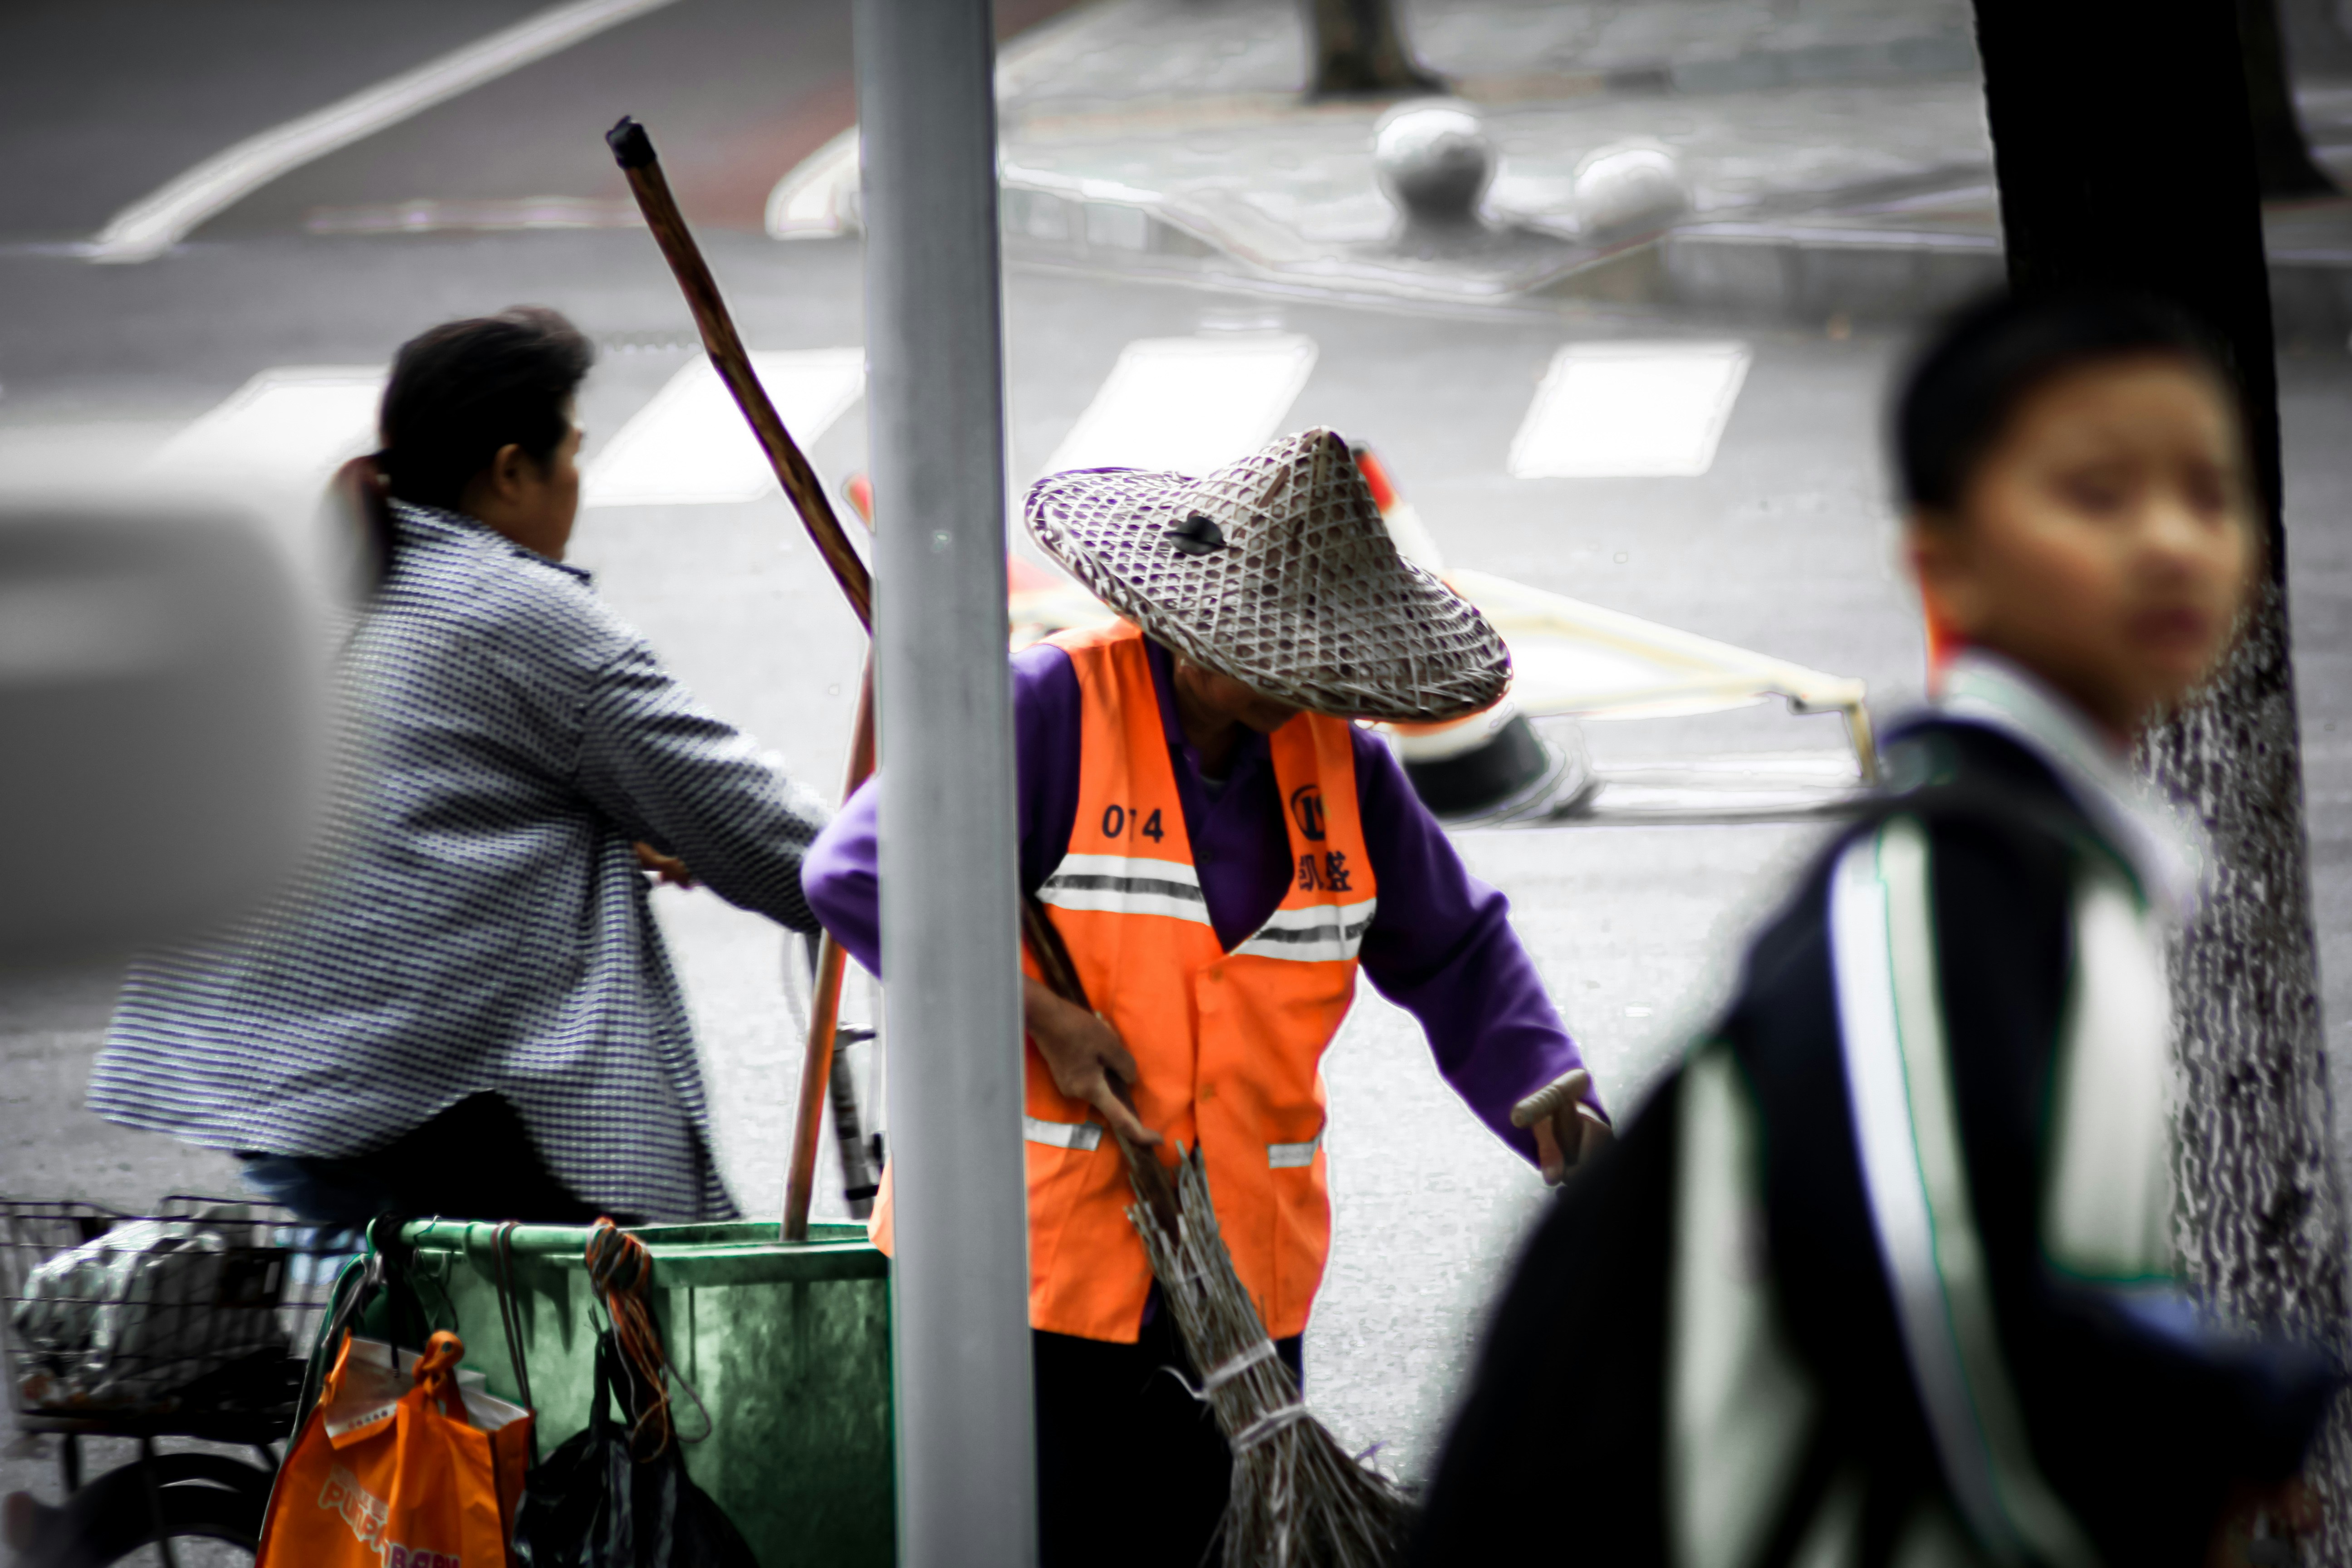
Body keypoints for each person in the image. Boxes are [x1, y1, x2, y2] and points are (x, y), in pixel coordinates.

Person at [1410, 292, 2337, 1568]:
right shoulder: (1949, 876)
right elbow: (1927, 1295)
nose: (2173, 541)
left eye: (2212, 494)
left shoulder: (2054, 865)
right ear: (1941, 561)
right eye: (2098, 495)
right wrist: (2188, 1454)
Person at [802, 426, 1607, 1568]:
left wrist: (1551, 1103)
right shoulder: (1050, 712)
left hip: (1243, 1275)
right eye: (1279, 652)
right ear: (1193, 630)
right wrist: (1044, 1018)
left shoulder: (1344, 766)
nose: (1305, 680)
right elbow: (856, 875)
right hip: (1026, 1275)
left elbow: (1456, 950)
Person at [88, 308, 831, 1227]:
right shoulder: (513, 612)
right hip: (400, 1088)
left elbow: (409, 786)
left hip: (262, 1059)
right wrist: (891, 875)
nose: (577, 483)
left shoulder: (333, 565)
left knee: (413, 1344)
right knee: (594, 1335)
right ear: (514, 468)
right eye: (573, 454)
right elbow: (748, 821)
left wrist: (603, 827)